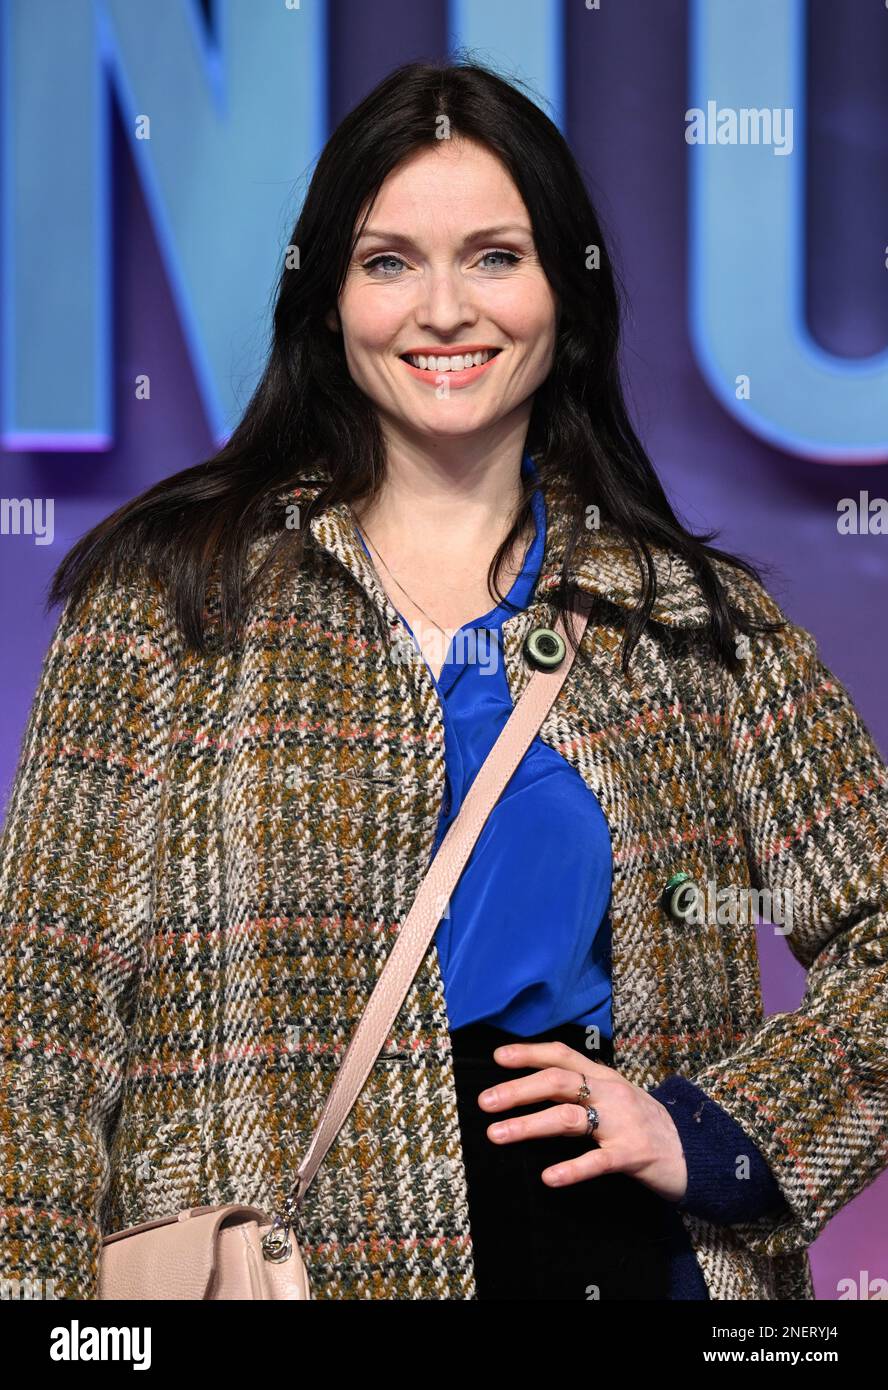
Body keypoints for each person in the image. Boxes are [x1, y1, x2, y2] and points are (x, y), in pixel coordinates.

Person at [1, 60, 885, 1302]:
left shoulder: (688, 625)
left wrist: (724, 1131)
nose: (444, 309)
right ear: (325, 305)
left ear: (566, 300)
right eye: (388, 261)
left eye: (495, 256)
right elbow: (33, 1042)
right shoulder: (169, 605)